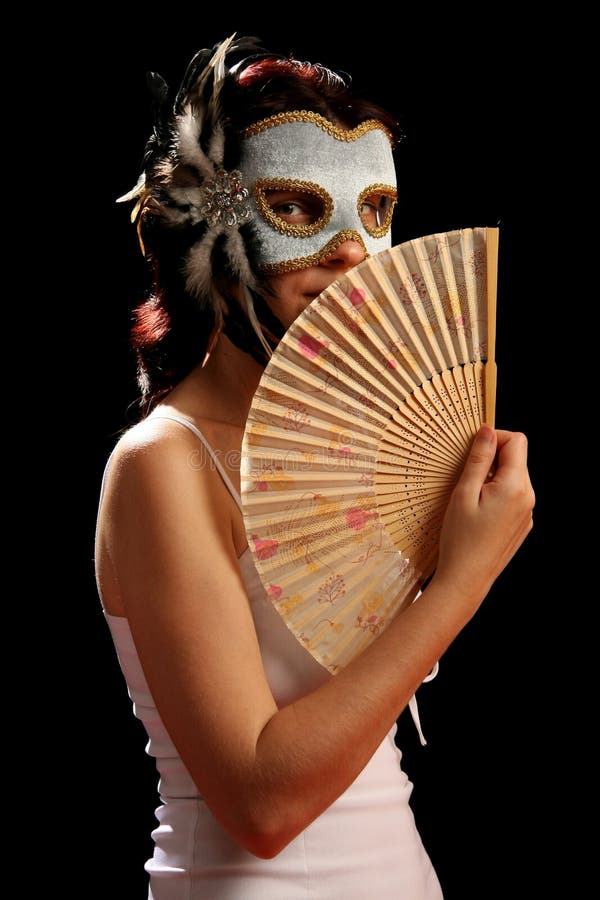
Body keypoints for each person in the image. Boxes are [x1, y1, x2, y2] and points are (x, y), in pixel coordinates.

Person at [95, 34, 535, 899]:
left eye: (374, 211)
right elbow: (262, 807)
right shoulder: (162, 465)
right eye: (297, 206)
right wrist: (464, 581)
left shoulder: (366, 448)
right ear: (206, 224)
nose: (348, 251)